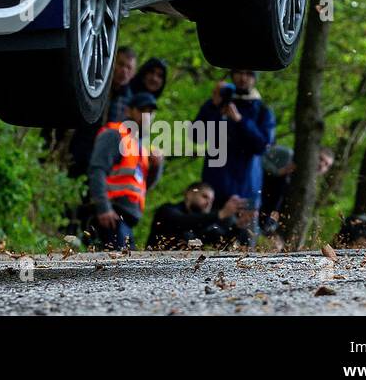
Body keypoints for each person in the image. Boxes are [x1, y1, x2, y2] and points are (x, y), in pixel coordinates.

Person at [195, 69, 276, 237]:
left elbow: (262, 146)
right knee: (208, 244)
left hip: (247, 193)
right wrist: (214, 106)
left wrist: (240, 121)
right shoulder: (218, 104)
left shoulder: (262, 111)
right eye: (239, 72)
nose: (242, 77)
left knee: (244, 250)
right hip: (215, 191)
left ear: (254, 78)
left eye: (248, 73)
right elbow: (196, 135)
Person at [87, 91, 162, 250]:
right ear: (129, 111)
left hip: (124, 222)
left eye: (151, 112)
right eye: (143, 110)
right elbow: (97, 170)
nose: (147, 116)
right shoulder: (115, 135)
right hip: (110, 217)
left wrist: (156, 167)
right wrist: (104, 208)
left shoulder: (139, 146)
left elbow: (143, 186)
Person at [67, 45, 136, 180]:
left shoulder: (130, 104)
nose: (124, 71)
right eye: (121, 64)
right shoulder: (91, 83)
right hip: (76, 145)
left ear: (133, 74)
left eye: (129, 68)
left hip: (101, 160)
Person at [146, 181, 251, 249]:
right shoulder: (167, 211)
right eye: (205, 197)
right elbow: (182, 222)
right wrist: (221, 214)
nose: (208, 203)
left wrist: (238, 226)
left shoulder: (204, 223)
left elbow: (222, 241)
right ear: (189, 194)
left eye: (211, 200)